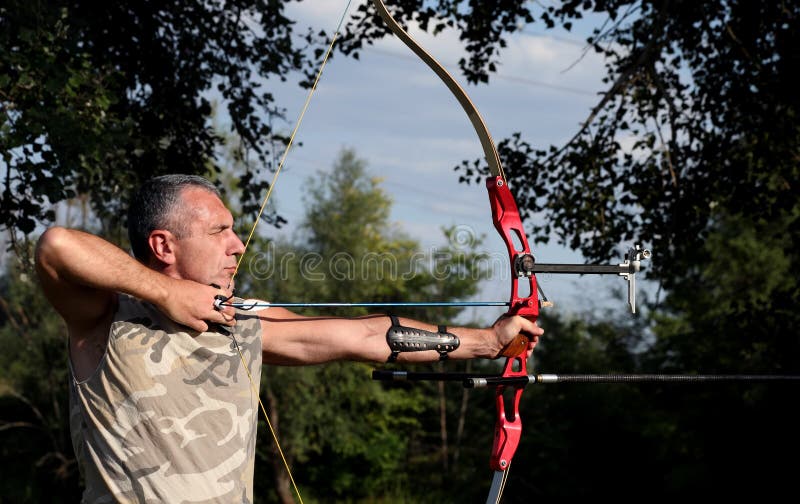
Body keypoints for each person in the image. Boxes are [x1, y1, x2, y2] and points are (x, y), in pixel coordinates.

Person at [34, 174, 543, 502]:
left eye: (235, 232)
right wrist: (166, 296)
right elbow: (57, 246)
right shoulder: (106, 320)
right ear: (163, 244)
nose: (237, 246)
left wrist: (487, 342)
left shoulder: (239, 318)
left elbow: (367, 336)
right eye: (219, 232)